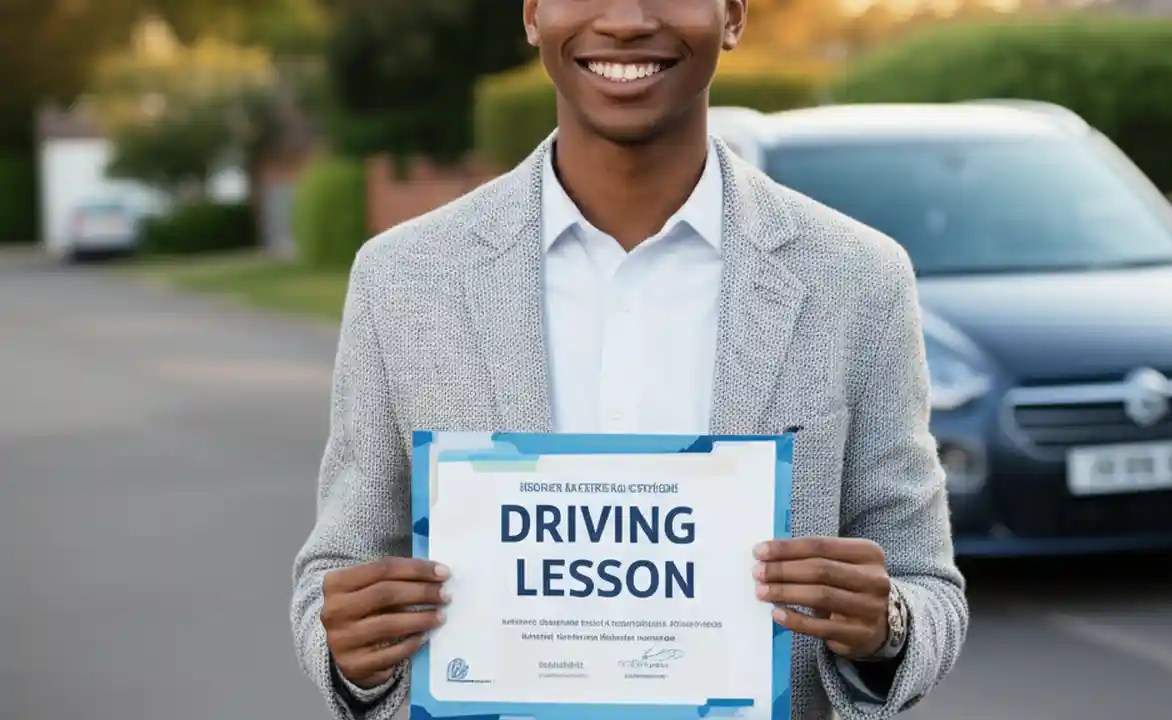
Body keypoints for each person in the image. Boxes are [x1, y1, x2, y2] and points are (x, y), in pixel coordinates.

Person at [290, 1, 968, 718]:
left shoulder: (857, 279)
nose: (624, 19)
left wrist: (887, 625)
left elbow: (926, 585)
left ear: (733, 16)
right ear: (532, 15)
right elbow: (336, 572)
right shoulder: (403, 279)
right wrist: (349, 652)